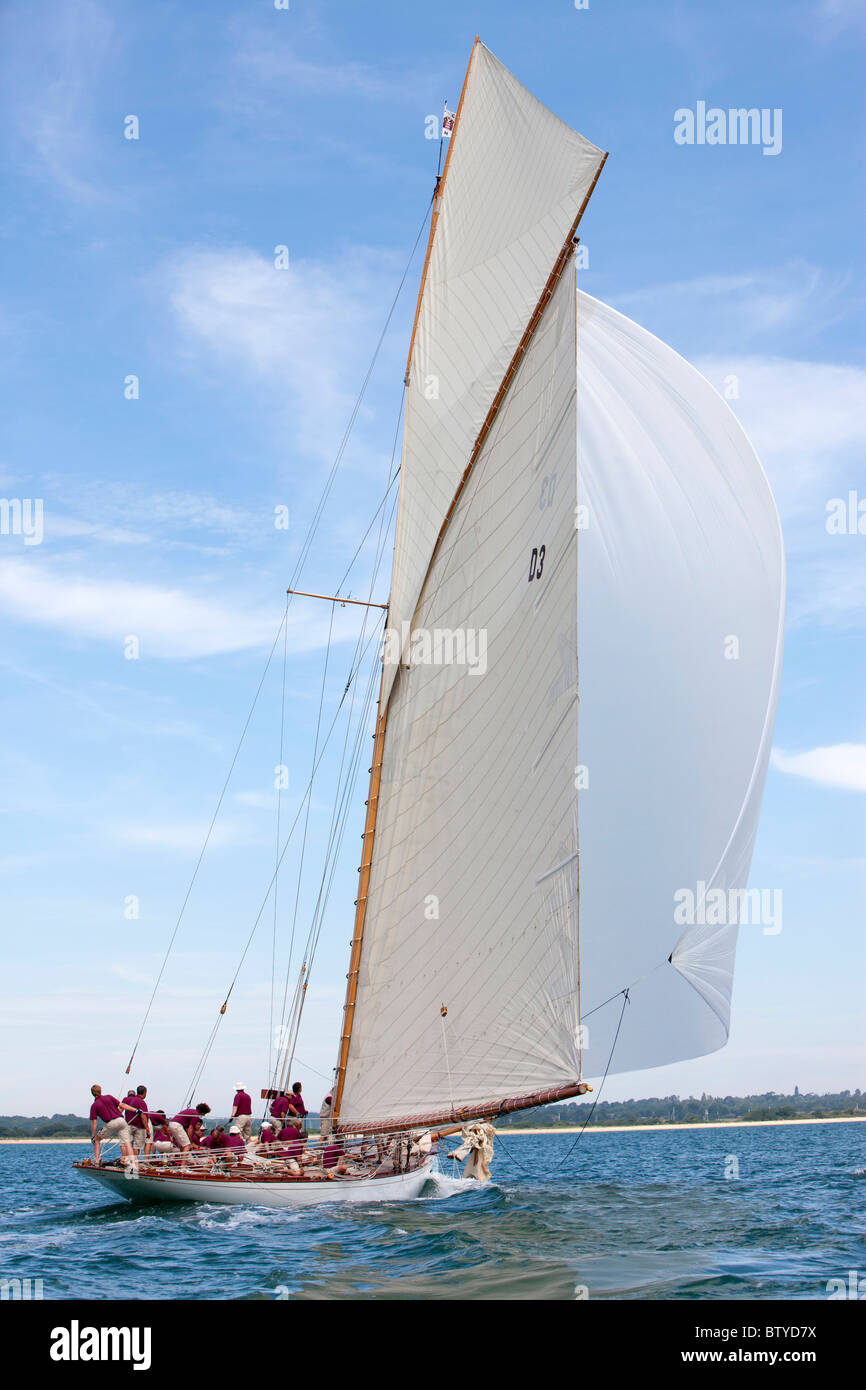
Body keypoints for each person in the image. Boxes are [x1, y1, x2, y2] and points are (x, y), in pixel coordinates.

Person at [89, 1085, 136, 1165]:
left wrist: (93, 1135)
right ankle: (132, 1162)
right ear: (100, 1091)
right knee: (127, 1142)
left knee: (97, 1140)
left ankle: (97, 1159)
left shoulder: (94, 1105)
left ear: (92, 1093)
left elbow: (94, 1122)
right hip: (122, 1120)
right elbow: (122, 1105)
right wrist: (136, 1110)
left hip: (112, 1123)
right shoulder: (109, 1097)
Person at [124, 1085, 153, 1158]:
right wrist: (147, 1129)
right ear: (144, 1093)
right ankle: (135, 1161)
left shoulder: (133, 1100)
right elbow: (143, 1116)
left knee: (129, 1144)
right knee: (137, 1146)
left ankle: (128, 1160)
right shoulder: (141, 1102)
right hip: (138, 1127)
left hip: (130, 1125)